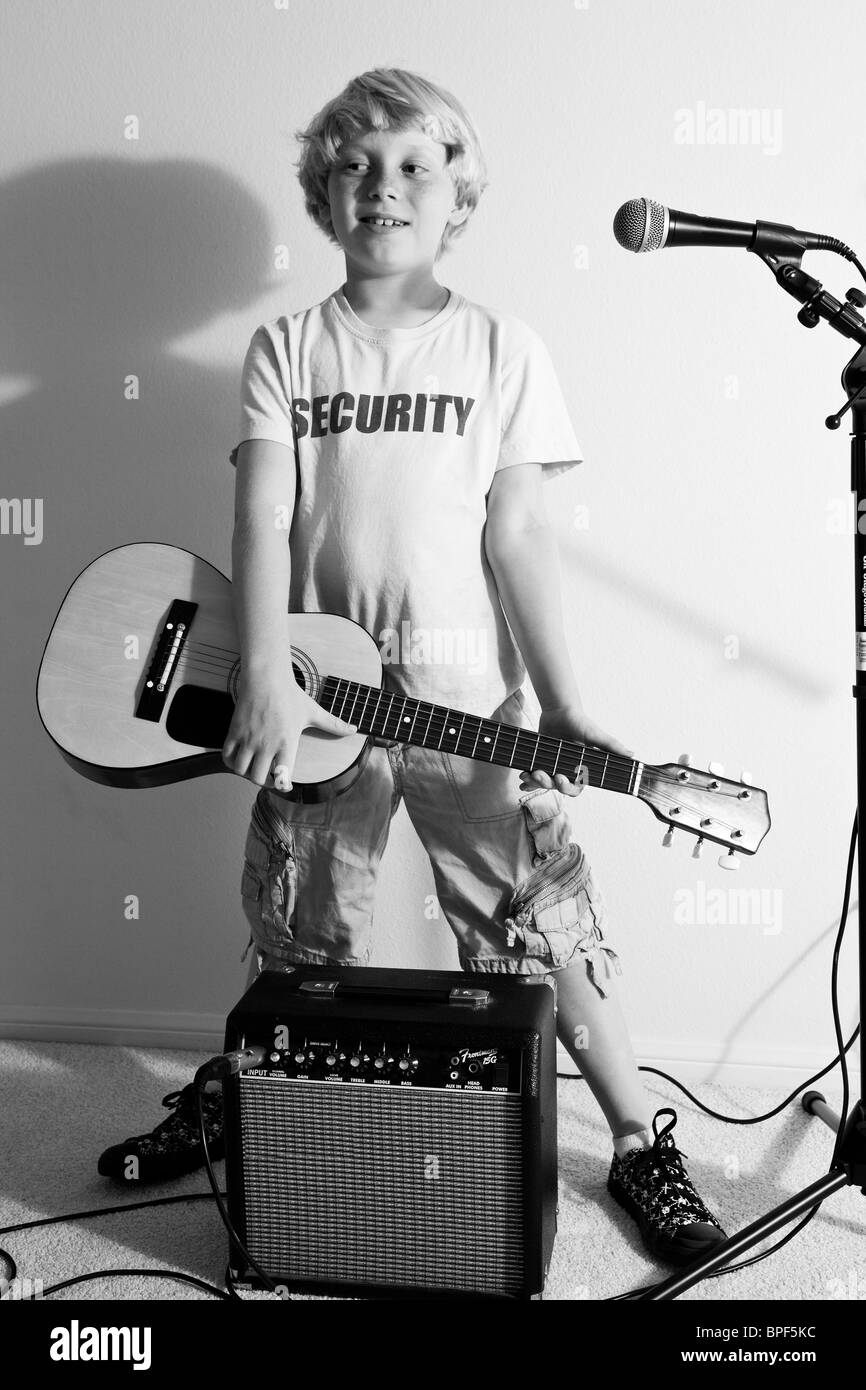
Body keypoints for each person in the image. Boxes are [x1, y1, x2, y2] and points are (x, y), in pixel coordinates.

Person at [98, 66, 725, 1269]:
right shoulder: (286, 347)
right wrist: (269, 673)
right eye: (353, 166)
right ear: (321, 198)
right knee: (300, 925)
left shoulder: (501, 348)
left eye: (413, 167)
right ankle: (249, 1089)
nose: (381, 186)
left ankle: (642, 1139)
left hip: (465, 705)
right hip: (318, 702)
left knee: (534, 922)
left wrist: (572, 708)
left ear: (458, 200)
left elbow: (520, 535)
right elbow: (264, 517)